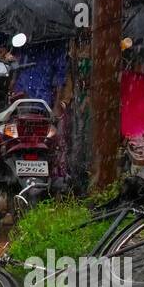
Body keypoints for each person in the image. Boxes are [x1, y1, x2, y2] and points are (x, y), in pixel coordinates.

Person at [53, 31, 93, 193]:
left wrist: (88, 96)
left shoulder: (95, 58)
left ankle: (83, 183)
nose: (84, 44)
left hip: (88, 105)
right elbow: (67, 83)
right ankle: (73, 183)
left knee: (85, 143)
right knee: (72, 143)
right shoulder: (70, 60)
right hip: (73, 106)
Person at [120, 47, 144, 180]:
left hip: (140, 129)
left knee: (141, 162)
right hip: (132, 128)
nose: (143, 66)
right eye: (140, 62)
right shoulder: (127, 78)